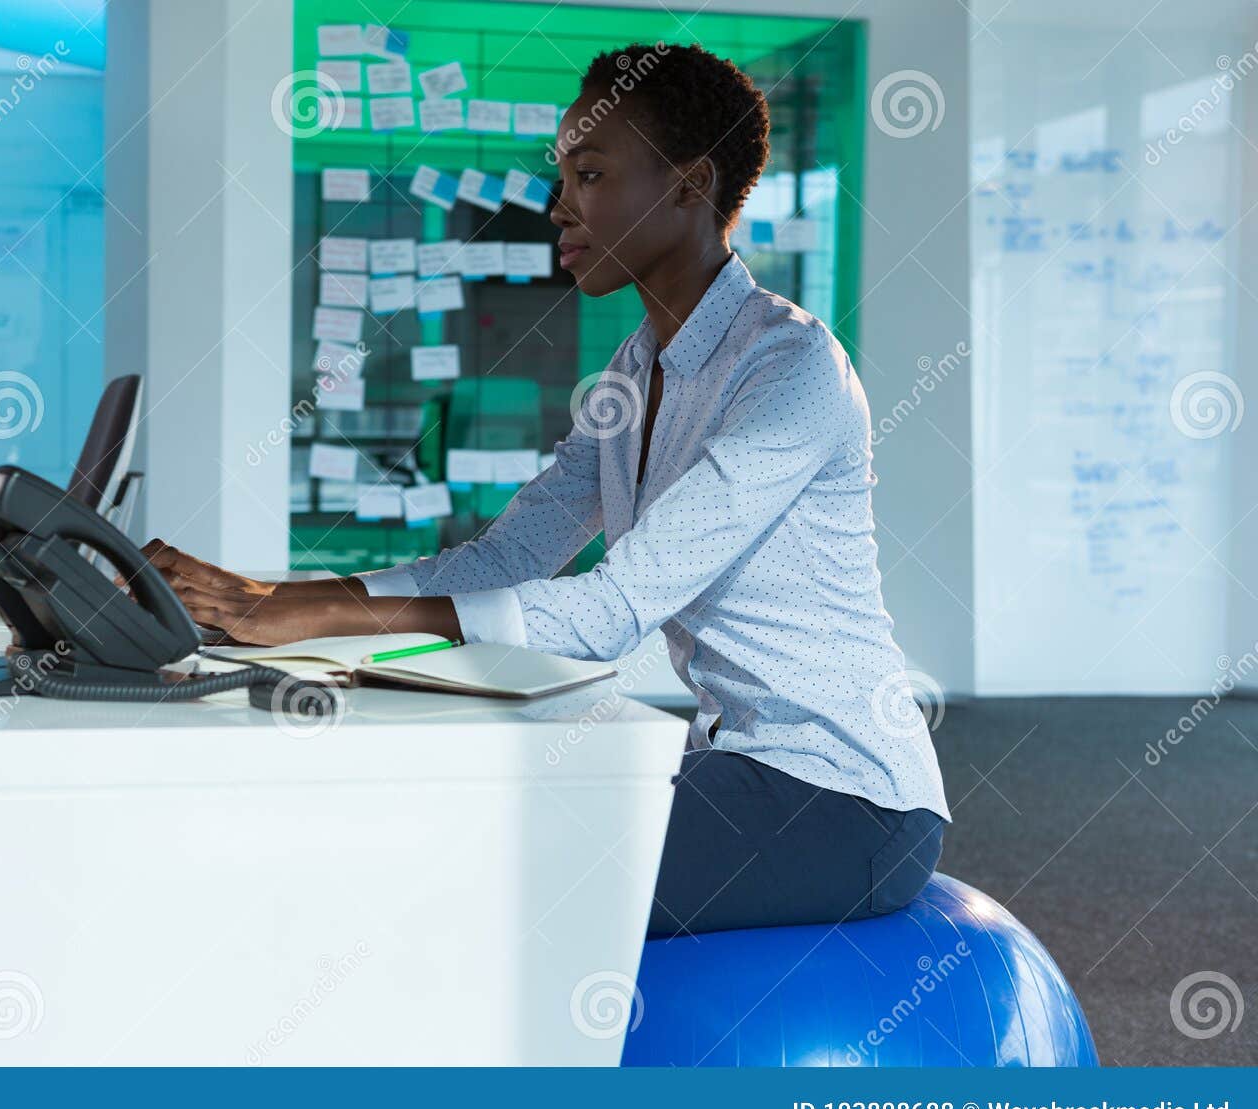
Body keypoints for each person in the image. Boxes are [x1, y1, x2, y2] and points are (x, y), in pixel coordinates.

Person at [144, 43, 949, 935]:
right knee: (440, 820)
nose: (560, 205)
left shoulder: (789, 368)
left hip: (845, 797)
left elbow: (613, 610)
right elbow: (506, 556)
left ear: (689, 185)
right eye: (562, 175)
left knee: (489, 890)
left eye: (590, 173)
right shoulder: (634, 369)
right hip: (733, 759)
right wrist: (282, 598)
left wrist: (322, 615)